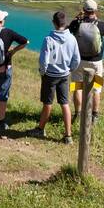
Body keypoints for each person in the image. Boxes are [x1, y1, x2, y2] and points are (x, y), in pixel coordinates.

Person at [36, 9, 81, 143]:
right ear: (64, 22)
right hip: (64, 75)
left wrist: (42, 72)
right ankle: (68, 135)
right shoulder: (72, 38)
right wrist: (69, 69)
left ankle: (40, 129)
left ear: (53, 23)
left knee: (47, 103)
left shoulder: (48, 39)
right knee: (65, 103)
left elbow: (43, 60)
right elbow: (76, 59)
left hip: (50, 75)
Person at [69, 0, 104, 126]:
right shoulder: (101, 24)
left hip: (79, 61)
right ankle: (95, 115)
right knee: (97, 88)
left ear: (84, 10)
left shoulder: (76, 23)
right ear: (95, 10)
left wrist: (77, 18)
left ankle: (78, 113)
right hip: (96, 62)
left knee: (77, 87)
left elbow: (69, 30)